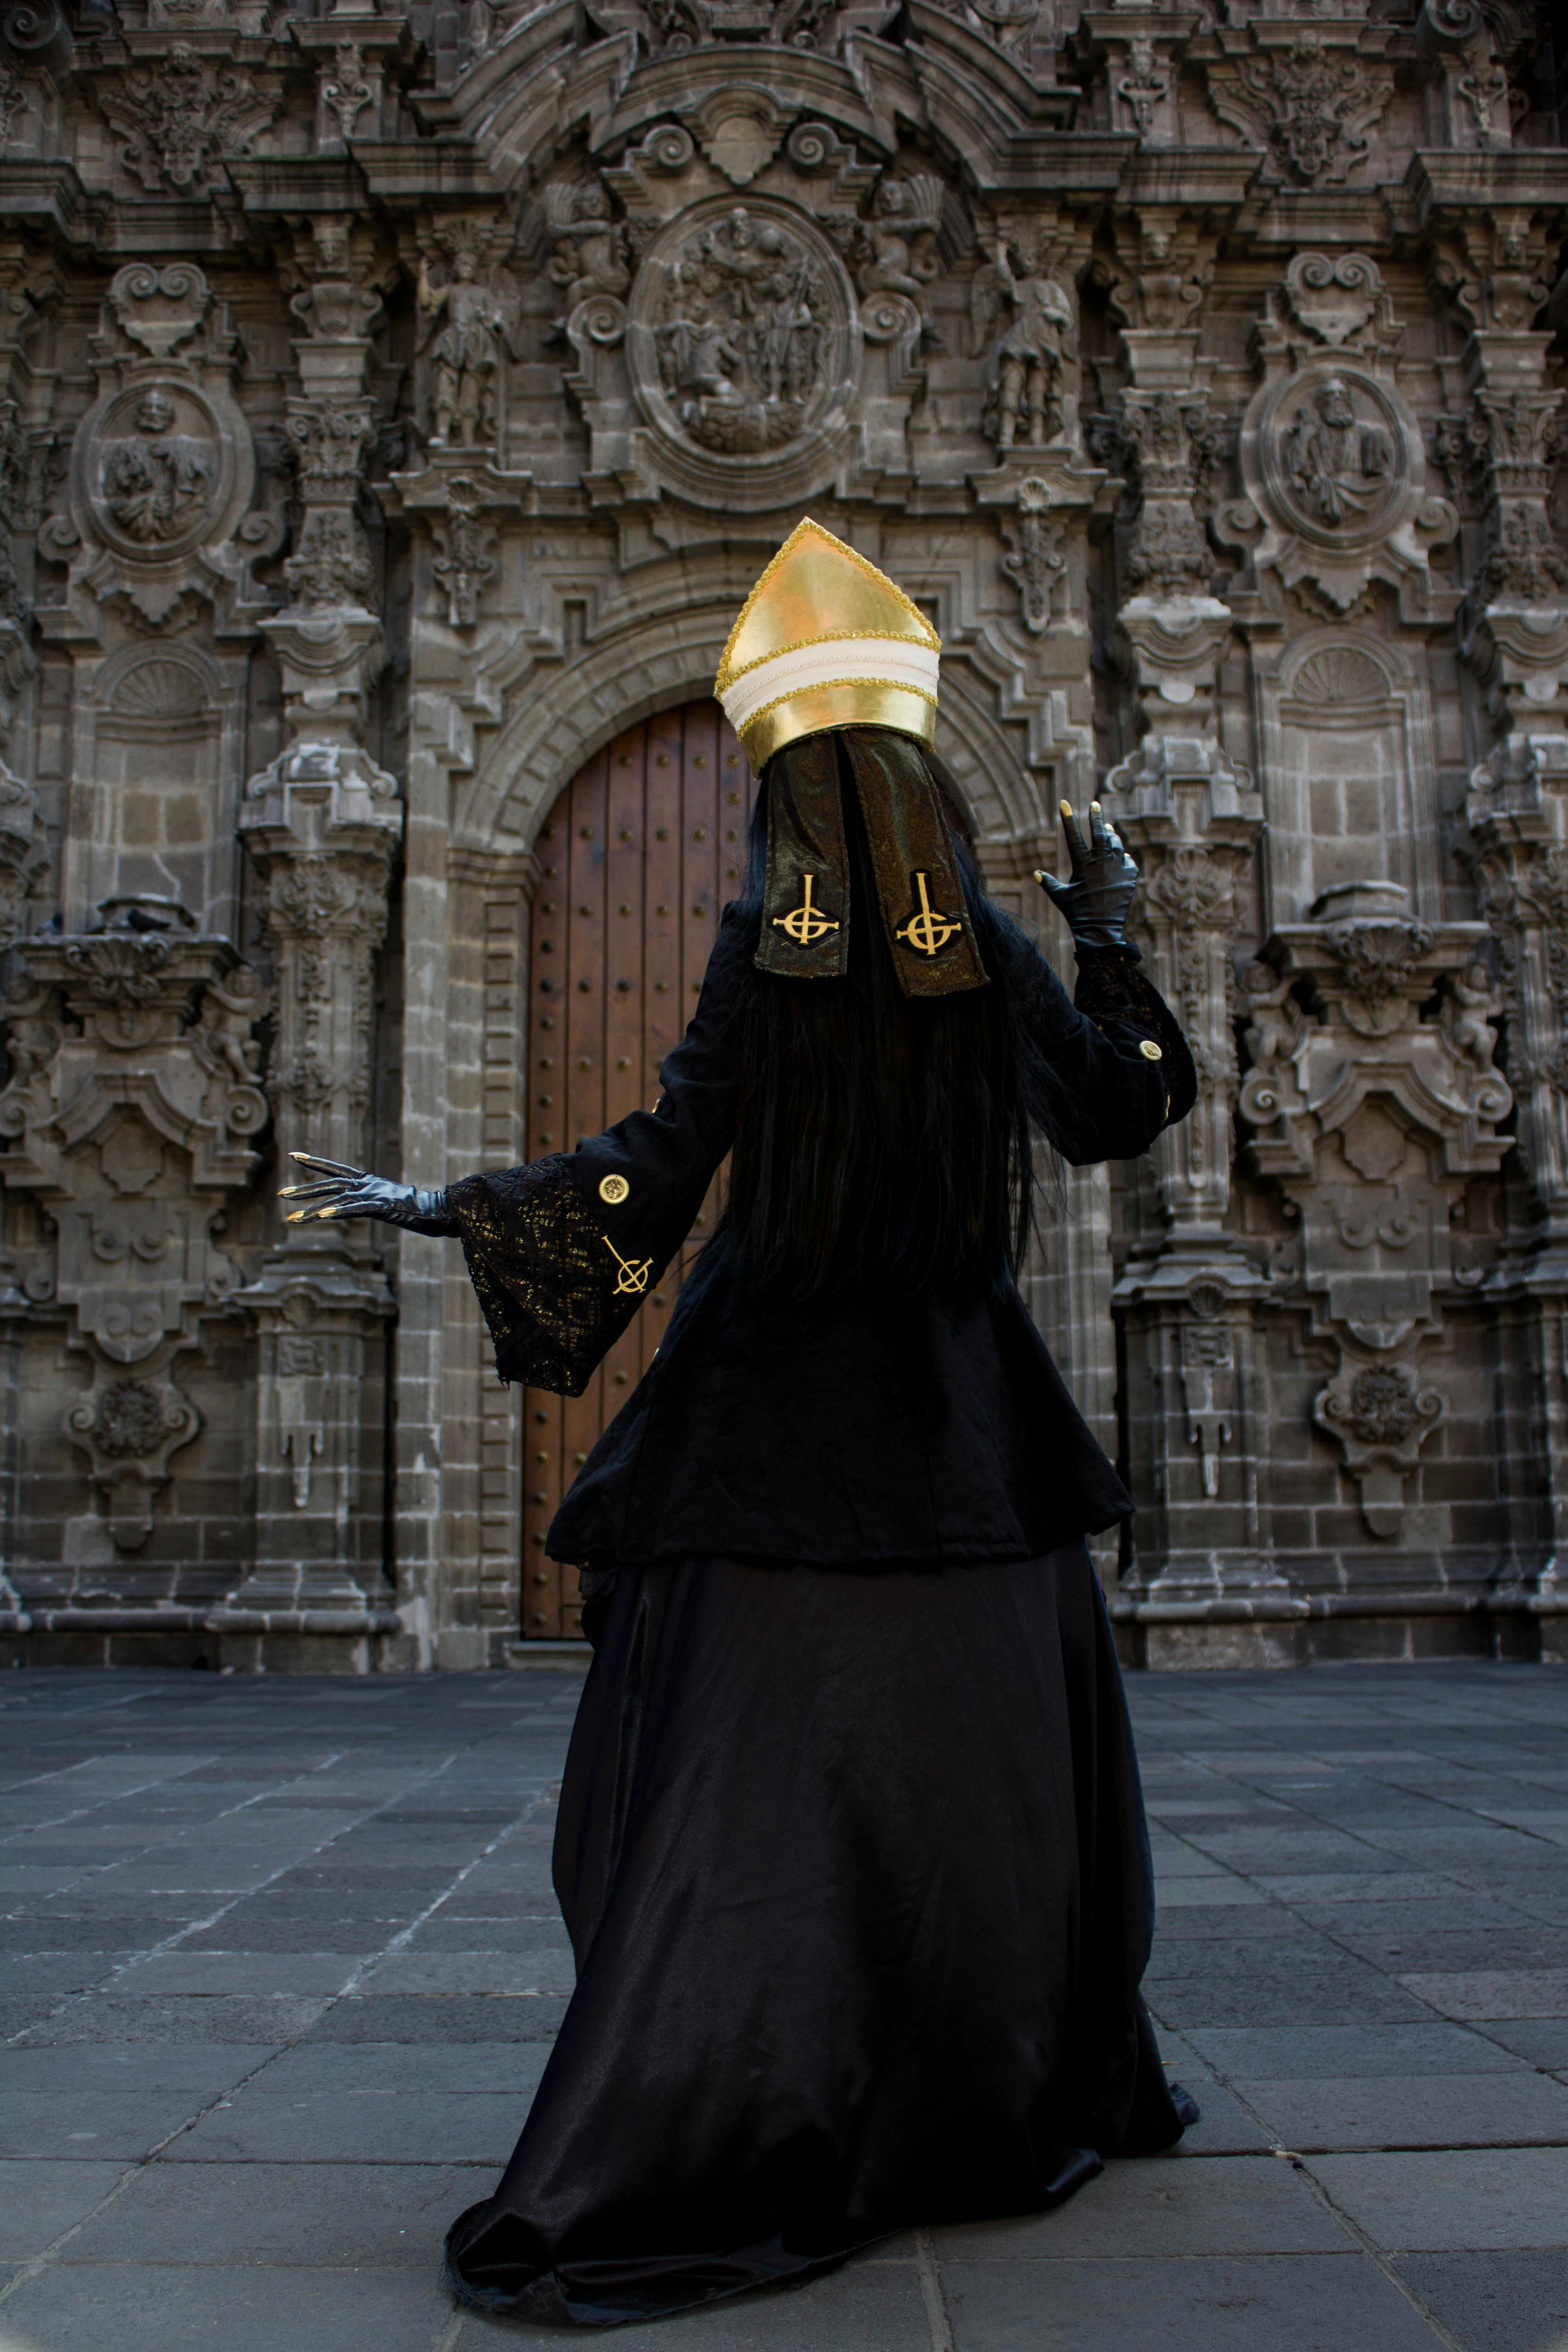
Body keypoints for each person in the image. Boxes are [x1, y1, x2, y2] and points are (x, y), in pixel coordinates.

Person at [280, 517, 1201, 2331]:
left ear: (780, 785)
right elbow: (1125, 1105)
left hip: (764, 1427)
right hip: (968, 1441)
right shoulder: (980, 947)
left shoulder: (761, 952)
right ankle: (980, 2084)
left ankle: (737, 2085)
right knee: (992, 1799)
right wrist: (1109, 937)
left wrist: (460, 1208)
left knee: (726, 1808)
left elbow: (660, 1163)